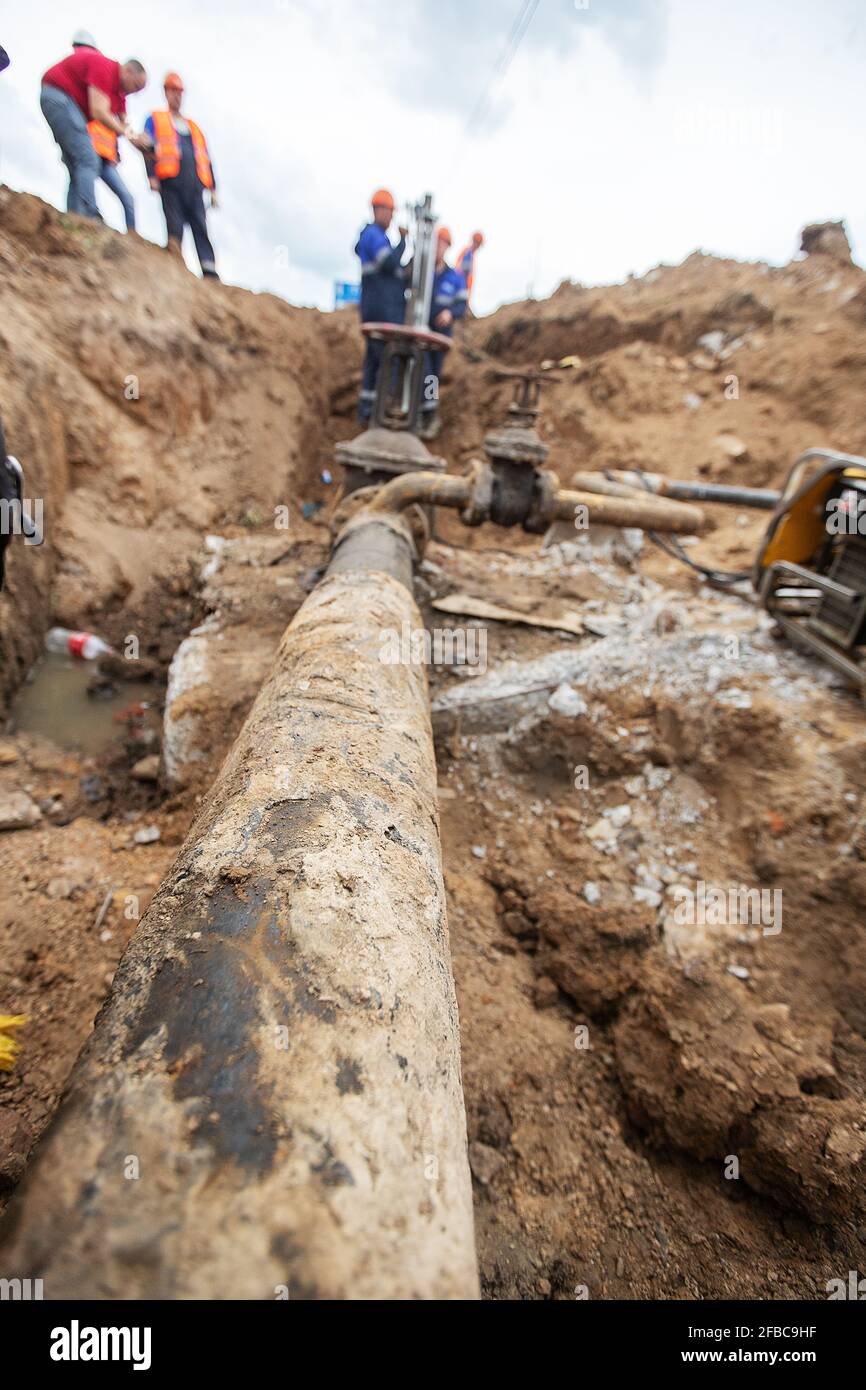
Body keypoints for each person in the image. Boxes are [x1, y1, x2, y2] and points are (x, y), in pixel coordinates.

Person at [40, 47, 147, 220]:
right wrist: (130, 135)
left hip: (66, 104)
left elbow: (124, 123)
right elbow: (99, 111)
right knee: (88, 159)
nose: (132, 92)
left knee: (78, 166)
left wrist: (140, 141)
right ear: (127, 71)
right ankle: (89, 217)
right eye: (135, 86)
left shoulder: (118, 93)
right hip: (58, 97)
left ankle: (74, 219)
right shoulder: (104, 67)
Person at [143, 73, 219, 279]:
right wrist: (151, 175)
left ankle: (209, 271)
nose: (176, 96)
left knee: (200, 226)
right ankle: (175, 266)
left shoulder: (194, 127)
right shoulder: (156, 119)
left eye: (179, 92)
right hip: (171, 182)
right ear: (166, 93)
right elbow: (147, 148)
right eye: (173, 91)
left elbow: (206, 158)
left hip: (195, 186)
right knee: (174, 225)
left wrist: (213, 189)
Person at [354, 188, 408, 421]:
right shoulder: (373, 235)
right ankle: (378, 412)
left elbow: (396, 273)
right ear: (378, 210)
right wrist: (404, 241)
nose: (392, 217)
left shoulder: (379, 237)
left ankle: (369, 411)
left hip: (382, 311)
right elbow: (389, 264)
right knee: (384, 358)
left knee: (376, 361)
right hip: (380, 311)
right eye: (389, 211)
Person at [420, 227, 468, 440]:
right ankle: (415, 412)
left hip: (439, 338)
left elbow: (461, 306)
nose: (438, 248)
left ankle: (429, 415)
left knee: (431, 376)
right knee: (420, 371)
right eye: (436, 243)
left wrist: (450, 313)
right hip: (420, 334)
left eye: (442, 244)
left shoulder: (454, 278)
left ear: (447, 247)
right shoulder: (423, 272)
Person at [87, 119, 136, 230]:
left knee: (128, 198)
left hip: (106, 161)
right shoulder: (98, 106)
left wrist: (116, 153)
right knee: (82, 187)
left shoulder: (114, 113)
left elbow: (114, 133)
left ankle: (133, 236)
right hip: (90, 154)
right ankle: (84, 217)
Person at [456, 230, 484, 304]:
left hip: (463, 290)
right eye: (479, 244)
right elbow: (461, 273)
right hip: (462, 290)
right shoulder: (468, 254)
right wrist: (465, 295)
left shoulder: (469, 254)